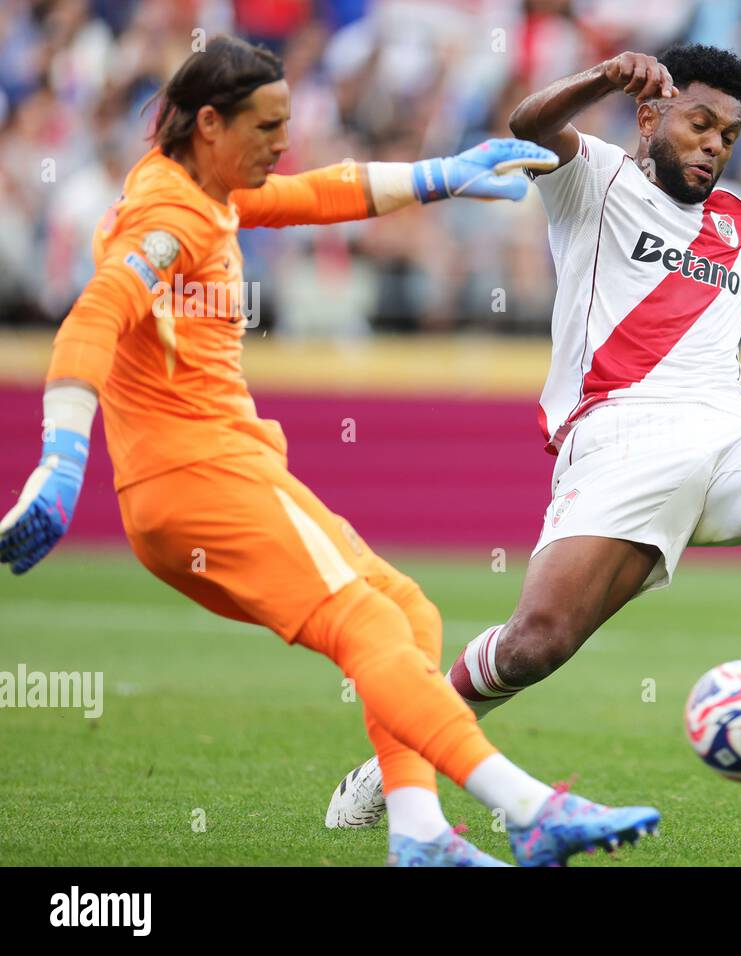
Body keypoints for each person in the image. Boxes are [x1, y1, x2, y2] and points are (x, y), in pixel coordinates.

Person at [0, 35, 659, 868]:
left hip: (211, 477)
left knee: (407, 612)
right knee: (369, 621)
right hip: (202, 477)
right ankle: (527, 807)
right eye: (269, 125)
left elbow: (312, 194)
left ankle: (419, 834)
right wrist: (60, 460)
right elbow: (93, 317)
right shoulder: (170, 214)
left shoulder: (203, 191)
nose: (284, 141)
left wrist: (442, 173)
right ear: (210, 122)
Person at [332, 43, 741, 827]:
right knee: (534, 647)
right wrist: (601, 77)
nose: (715, 143)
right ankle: (398, 756)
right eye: (699, 123)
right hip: (620, 443)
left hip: (727, 447)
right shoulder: (594, 178)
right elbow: (526, 124)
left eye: (729, 132)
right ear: (651, 117)